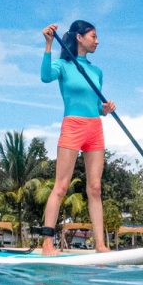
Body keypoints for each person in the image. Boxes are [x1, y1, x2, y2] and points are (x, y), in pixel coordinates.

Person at [38, 20, 115, 254]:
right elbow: (45, 76)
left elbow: (95, 105)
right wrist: (49, 44)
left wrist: (105, 109)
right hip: (72, 125)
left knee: (95, 188)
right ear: (79, 37)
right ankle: (47, 243)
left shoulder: (96, 71)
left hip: (95, 128)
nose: (97, 41)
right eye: (93, 36)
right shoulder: (63, 65)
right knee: (61, 186)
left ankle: (100, 245)